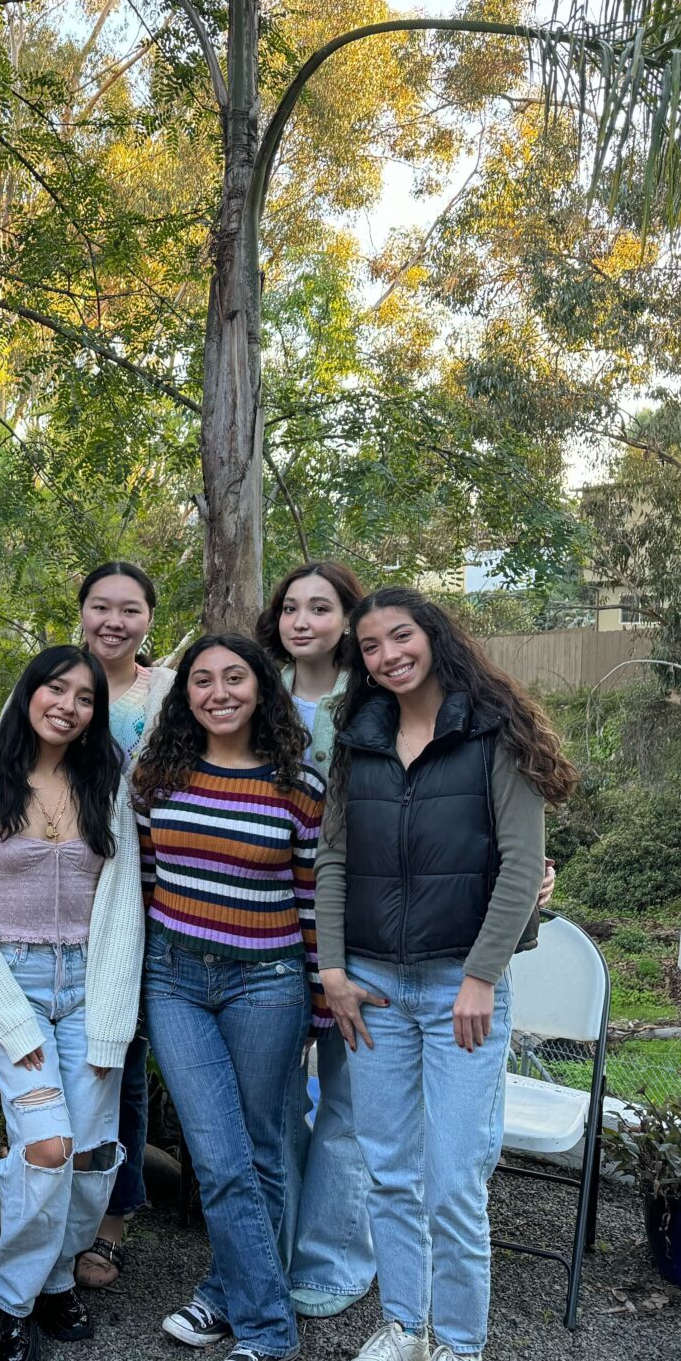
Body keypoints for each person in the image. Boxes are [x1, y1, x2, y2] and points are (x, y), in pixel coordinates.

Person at [316, 587, 578, 1361]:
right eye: (372, 646)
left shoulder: (491, 732)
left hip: (459, 989)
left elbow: (519, 863)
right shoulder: (357, 744)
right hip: (373, 989)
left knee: (455, 1180)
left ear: (433, 636)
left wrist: (481, 976)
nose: (390, 655)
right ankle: (404, 1330)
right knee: (388, 1171)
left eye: (403, 636)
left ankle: (463, 1350)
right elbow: (329, 865)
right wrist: (331, 970)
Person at [0, 646, 142, 1361]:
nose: (69, 705)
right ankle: (13, 1298)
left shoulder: (106, 786)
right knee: (45, 1145)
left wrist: (113, 1012)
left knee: (87, 1155)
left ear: (95, 714)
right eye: (56, 690)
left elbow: (123, 906)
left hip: (92, 983)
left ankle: (58, 1279)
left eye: (85, 698)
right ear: (30, 695)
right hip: (11, 983)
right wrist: (10, 1022)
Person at [133, 633, 322, 1361]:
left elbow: (310, 902)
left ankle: (231, 1296)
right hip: (176, 980)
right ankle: (269, 1320)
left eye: (234, 678)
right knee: (218, 1154)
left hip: (268, 982)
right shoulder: (158, 778)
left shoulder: (299, 787)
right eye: (203, 680)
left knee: (264, 1150)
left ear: (260, 688)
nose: (218, 692)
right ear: (186, 695)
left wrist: (316, 1004)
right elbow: (143, 890)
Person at [257, 561, 373, 1320]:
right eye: (291, 607)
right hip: (265, 919)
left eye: (321, 608)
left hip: (357, 916)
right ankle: (270, 1246)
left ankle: (333, 1259)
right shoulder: (254, 696)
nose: (303, 621)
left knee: (347, 1097)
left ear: (346, 618)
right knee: (270, 1097)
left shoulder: (374, 700)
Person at [73, 560, 175, 1293]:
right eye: (101, 606)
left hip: (151, 897)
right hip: (62, 901)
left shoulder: (166, 692)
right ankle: (58, 1209)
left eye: (130, 609)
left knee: (123, 1054)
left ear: (147, 619)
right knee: (66, 1053)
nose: (114, 620)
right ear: (80, 612)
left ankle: (114, 1218)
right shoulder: (51, 682)